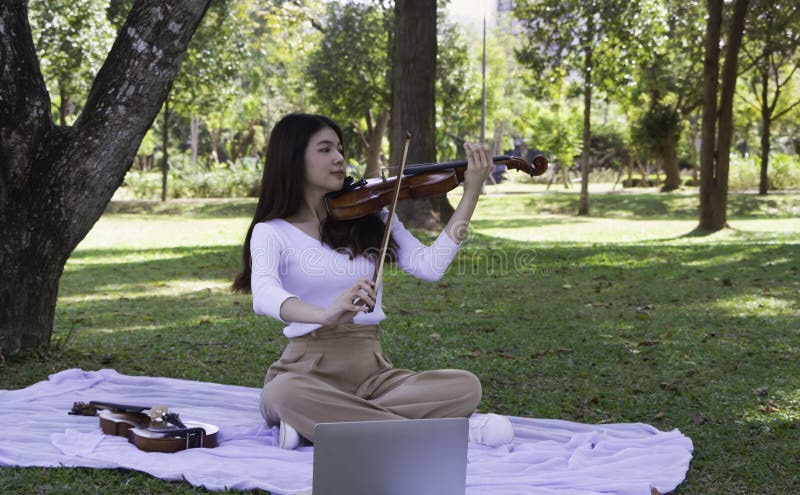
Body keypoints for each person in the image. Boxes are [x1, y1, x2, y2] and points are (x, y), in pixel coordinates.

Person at [233, 113, 514, 450]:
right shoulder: (271, 232)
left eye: (339, 148)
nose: (339, 157)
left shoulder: (373, 215)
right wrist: (325, 314)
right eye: (325, 150)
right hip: (306, 373)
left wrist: (471, 194)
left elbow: (431, 266)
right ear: (293, 160)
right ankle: (443, 431)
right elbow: (263, 294)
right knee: (282, 393)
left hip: (375, 377)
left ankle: (317, 426)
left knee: (466, 386)